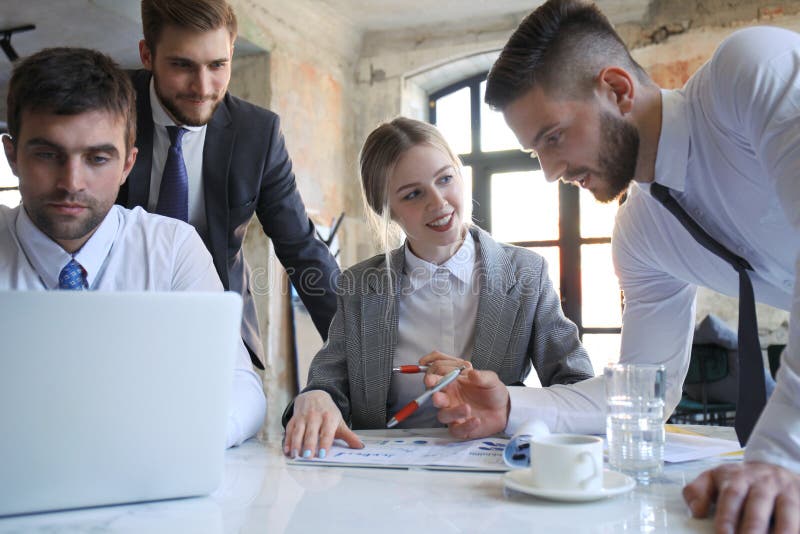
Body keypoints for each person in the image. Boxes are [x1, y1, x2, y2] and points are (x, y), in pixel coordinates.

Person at [428, 1, 800, 531]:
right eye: (536, 152)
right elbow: (645, 392)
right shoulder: (642, 234)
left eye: (553, 136)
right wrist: (510, 406)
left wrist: (780, 455)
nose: (551, 172)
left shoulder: (751, 71)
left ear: (618, 90)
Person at [281, 117, 594, 459]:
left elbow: (579, 390)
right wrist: (317, 398)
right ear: (386, 210)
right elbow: (327, 385)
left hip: (491, 468)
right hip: (385, 472)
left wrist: (502, 398)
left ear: (460, 173)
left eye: (445, 179)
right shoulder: (358, 286)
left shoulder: (526, 274)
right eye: (413, 194)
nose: (438, 202)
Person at [0, 46, 265, 449]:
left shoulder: (172, 249)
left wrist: (179, 440)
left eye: (97, 158)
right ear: (12, 156)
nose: (72, 183)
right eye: (48, 155)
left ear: (127, 164)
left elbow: (239, 386)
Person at [117, 0, 340, 369]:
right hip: (119, 317)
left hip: (217, 324)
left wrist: (361, 351)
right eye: (182, 65)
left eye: (217, 65)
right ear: (147, 55)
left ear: (231, 53)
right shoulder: (109, 106)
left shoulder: (258, 133)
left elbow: (302, 248)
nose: (202, 87)